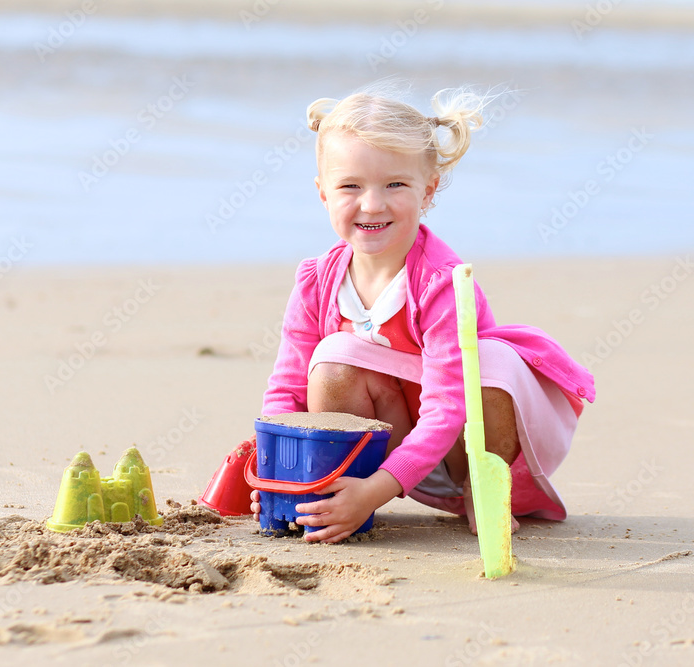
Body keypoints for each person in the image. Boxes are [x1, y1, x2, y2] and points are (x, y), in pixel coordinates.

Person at [249, 84, 595, 544]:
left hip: (468, 444)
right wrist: (275, 471)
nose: (372, 204)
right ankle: (337, 494)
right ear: (323, 194)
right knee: (332, 360)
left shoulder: (441, 283)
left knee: (489, 360)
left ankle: (479, 489)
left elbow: (447, 407)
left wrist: (377, 491)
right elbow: (286, 391)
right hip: (392, 448)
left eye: (395, 184)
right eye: (350, 186)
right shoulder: (316, 281)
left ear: (428, 189)